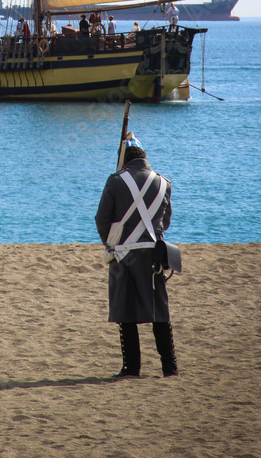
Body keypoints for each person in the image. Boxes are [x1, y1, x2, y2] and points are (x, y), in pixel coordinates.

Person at [94, 133, 178, 378]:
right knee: (160, 314)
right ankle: (169, 368)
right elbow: (166, 221)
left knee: (126, 311)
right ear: (144, 156)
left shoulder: (115, 181)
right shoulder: (164, 183)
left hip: (124, 255)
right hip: (154, 256)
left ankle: (132, 368)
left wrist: (112, 245)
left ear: (124, 159)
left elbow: (102, 219)